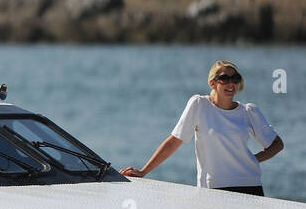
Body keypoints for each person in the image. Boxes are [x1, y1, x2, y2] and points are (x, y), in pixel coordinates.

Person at [120, 61, 283, 195]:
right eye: (224, 78)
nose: (230, 83)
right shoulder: (199, 105)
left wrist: (251, 159)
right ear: (212, 83)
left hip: (250, 185)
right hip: (214, 188)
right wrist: (143, 171)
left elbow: (277, 144)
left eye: (235, 78)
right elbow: (174, 141)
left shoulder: (249, 111)